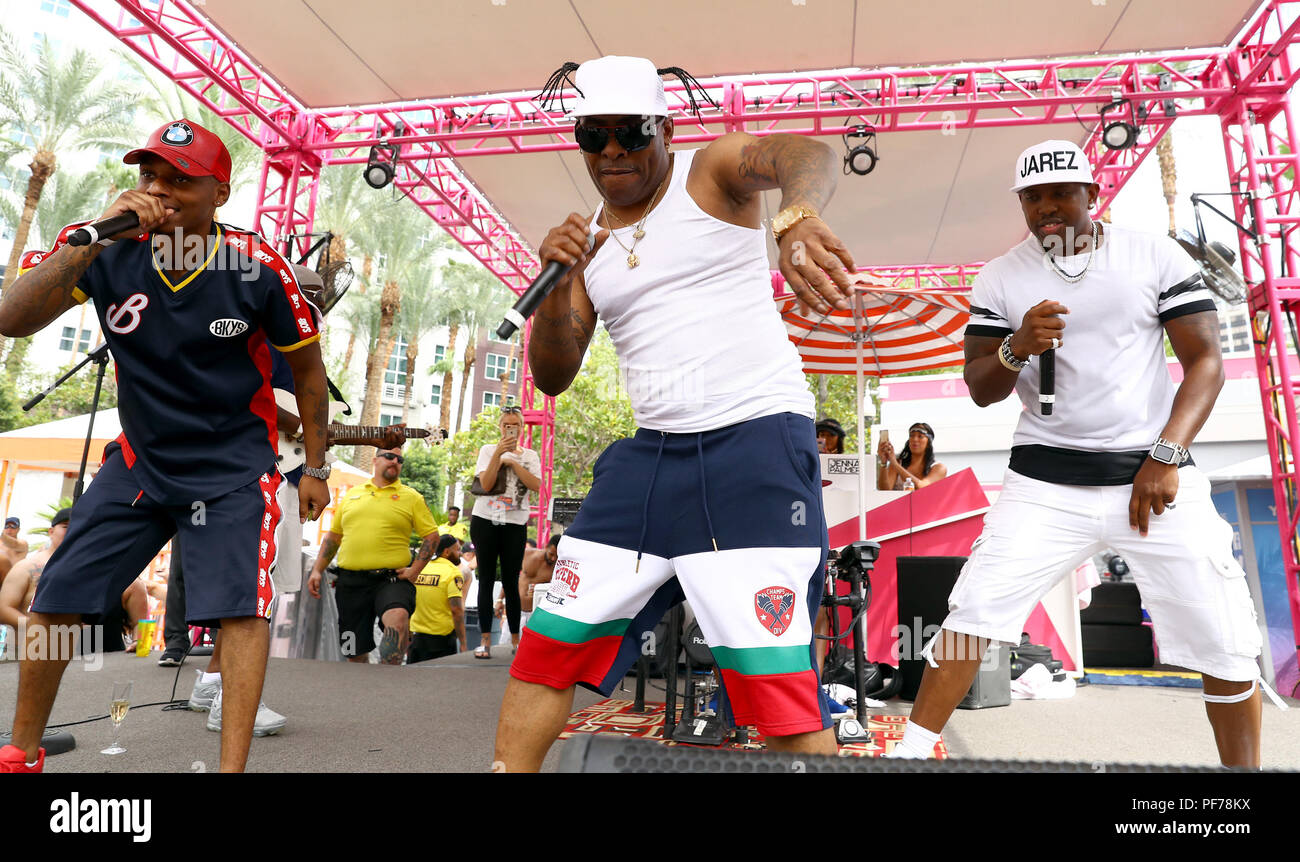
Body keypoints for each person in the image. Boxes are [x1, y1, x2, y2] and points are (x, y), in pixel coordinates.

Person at [494, 56, 857, 771]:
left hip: (752, 444)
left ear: (665, 126)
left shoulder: (710, 172)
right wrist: (562, 278)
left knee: (777, 686)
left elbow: (803, 153)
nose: (612, 153)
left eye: (630, 132)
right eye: (591, 137)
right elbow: (554, 374)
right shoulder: (587, 240)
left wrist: (793, 220)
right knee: (547, 652)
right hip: (648, 460)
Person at [892, 139, 1266, 767]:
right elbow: (982, 389)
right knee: (974, 611)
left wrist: (1167, 455)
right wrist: (1015, 345)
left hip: (1152, 478)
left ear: (1092, 195)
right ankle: (909, 751)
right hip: (1045, 482)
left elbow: (1206, 362)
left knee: (1225, 637)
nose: (1047, 208)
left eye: (1061, 193)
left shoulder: (1152, 254)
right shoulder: (1001, 275)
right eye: (1033, 197)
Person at [0, 118, 330, 774]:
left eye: (180, 179)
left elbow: (311, 378)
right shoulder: (103, 249)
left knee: (240, 609)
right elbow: (12, 318)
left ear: (220, 194)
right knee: (56, 593)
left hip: (234, 463)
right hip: (142, 457)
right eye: (150, 176)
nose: (159, 189)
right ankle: (22, 752)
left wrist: (315, 466)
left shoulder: (257, 268)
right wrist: (90, 237)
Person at [307, 445, 440, 665]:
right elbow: (334, 537)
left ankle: (387, 681)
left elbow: (432, 537)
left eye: (400, 459)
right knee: (352, 650)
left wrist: (415, 569)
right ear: (375, 460)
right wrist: (317, 570)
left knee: (397, 619)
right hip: (350, 581)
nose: (395, 461)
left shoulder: (411, 497)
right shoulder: (352, 495)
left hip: (392, 579)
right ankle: (361, 690)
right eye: (389, 456)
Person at [469, 406, 540, 659]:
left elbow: (536, 485)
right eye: (506, 425)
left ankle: (516, 641)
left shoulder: (530, 455)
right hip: (485, 518)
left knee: (511, 580)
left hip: (515, 522)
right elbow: (486, 484)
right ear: (500, 427)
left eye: (516, 425)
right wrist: (499, 454)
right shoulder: (488, 450)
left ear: (521, 428)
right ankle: (485, 641)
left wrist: (514, 462)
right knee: (486, 578)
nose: (511, 428)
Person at [407, 535, 468, 664]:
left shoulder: (421, 569)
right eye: (457, 550)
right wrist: (463, 643)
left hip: (416, 640)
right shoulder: (453, 573)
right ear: (446, 552)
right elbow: (456, 610)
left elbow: (408, 601)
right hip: (441, 643)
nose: (460, 553)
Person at [876, 422, 948, 490]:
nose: (915, 439)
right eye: (912, 435)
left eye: (920, 436)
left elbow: (922, 486)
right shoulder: (898, 463)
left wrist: (895, 464)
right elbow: (885, 490)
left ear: (928, 442)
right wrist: (883, 463)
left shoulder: (939, 468)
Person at [517, 533, 560, 630]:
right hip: (516, 610)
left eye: (557, 556)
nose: (553, 558)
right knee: (506, 644)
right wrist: (500, 600)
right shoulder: (527, 554)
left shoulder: (557, 569)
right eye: (551, 554)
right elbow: (510, 577)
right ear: (546, 547)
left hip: (535, 614)